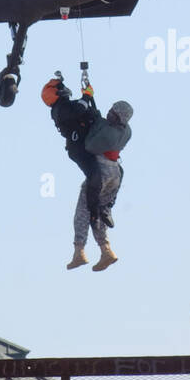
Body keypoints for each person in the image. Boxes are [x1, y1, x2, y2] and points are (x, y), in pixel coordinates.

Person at [42, 73, 104, 269]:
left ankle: (97, 204)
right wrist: (87, 96)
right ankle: (96, 207)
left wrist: (87, 96)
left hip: (82, 145)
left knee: (97, 177)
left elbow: (82, 108)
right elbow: (79, 109)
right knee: (95, 177)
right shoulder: (61, 109)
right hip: (79, 148)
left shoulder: (62, 106)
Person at [77, 101, 133, 271]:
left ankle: (78, 251)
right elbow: (106, 126)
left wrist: (95, 125)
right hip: (115, 173)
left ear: (119, 117)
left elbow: (90, 145)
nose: (108, 113)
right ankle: (106, 251)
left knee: (84, 210)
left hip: (101, 171)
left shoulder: (108, 133)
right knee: (98, 213)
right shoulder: (127, 131)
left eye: (113, 113)